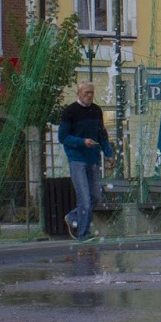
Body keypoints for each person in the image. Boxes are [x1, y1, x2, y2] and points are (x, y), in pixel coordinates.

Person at [58, 81, 114, 240]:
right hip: (77, 159)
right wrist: (82, 142)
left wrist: (109, 154)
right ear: (79, 93)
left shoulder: (96, 111)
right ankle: (83, 234)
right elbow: (63, 137)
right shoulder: (70, 112)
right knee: (85, 198)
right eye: (86, 93)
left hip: (93, 159)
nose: (89, 95)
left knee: (96, 197)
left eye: (91, 93)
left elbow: (102, 135)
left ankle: (72, 217)